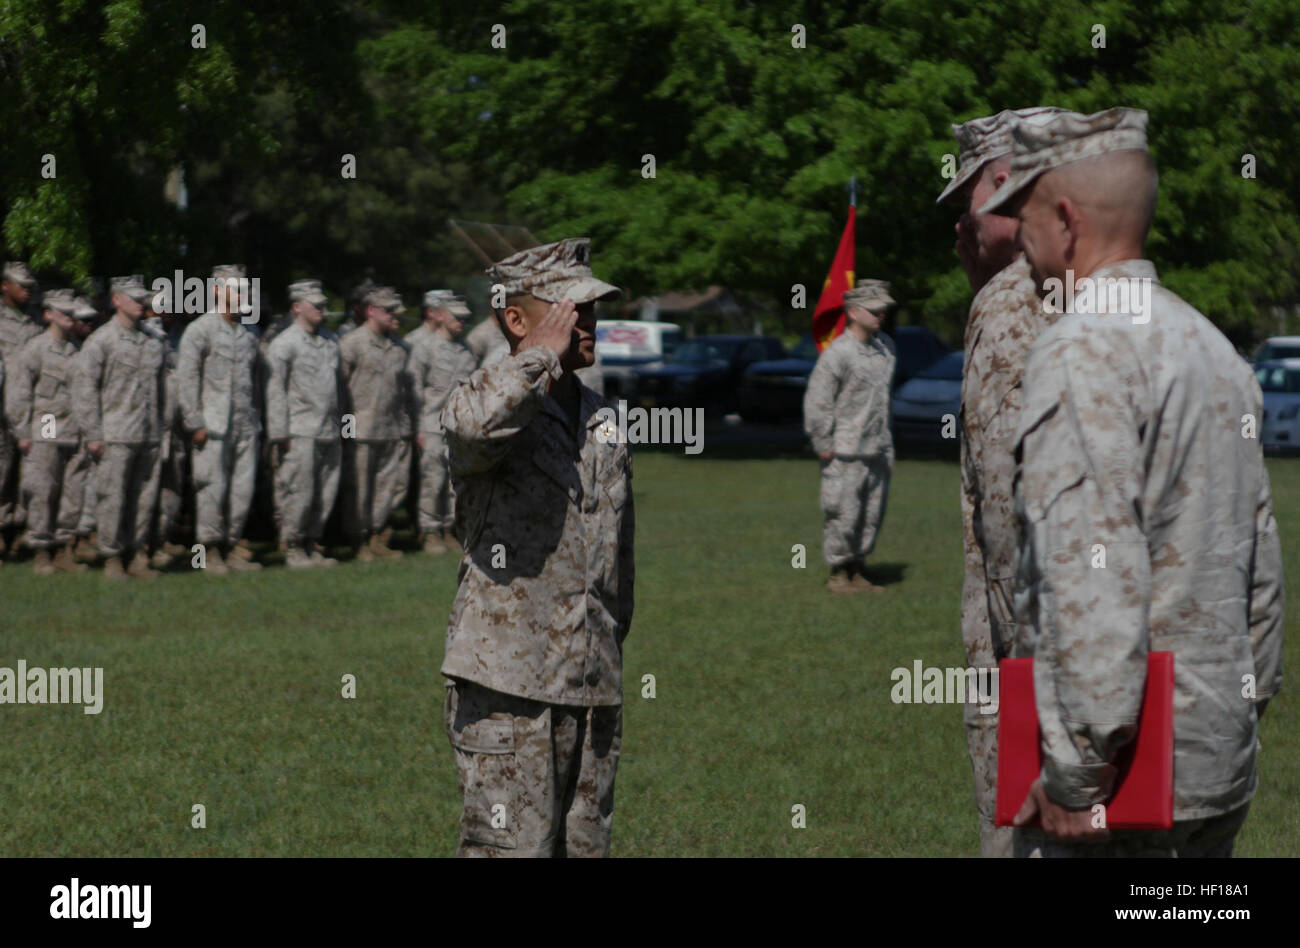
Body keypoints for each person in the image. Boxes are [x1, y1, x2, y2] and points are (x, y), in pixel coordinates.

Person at [980, 107, 1285, 856]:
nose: (1020, 241)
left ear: (1066, 219)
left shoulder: (1080, 349)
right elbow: (1262, 577)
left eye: (1023, 218)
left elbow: (1094, 577)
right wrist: (1238, 714)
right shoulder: (1213, 349)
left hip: (1120, 785)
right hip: (1213, 759)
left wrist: (1075, 775)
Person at [441, 237, 633, 857]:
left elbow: (617, 556)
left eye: (591, 306)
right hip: (510, 690)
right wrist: (537, 360)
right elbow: (472, 427)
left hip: (590, 680)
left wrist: (606, 640)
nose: (587, 321)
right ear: (518, 320)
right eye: (569, 309)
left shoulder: (603, 417)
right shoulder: (487, 402)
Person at [937, 106, 1065, 857]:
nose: (958, 224)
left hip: (1035, 675)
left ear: (1007, 183)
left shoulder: (1010, 305)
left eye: (967, 203)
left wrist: (1031, 700)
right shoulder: (1103, 289)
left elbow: (1013, 519)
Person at [803, 281, 897, 594]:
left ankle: (858, 569)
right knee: (844, 513)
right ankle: (838, 575)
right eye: (874, 310)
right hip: (846, 449)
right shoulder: (838, 354)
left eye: (883, 309)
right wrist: (823, 442)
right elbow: (819, 401)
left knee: (871, 514)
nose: (881, 314)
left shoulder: (886, 348)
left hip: (877, 445)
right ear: (854, 312)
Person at [74, 275, 168, 579]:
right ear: (116, 300)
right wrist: (93, 433)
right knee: (112, 498)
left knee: (144, 499)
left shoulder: (154, 342)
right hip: (115, 434)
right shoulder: (101, 341)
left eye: (143, 299)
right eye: (134, 298)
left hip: (149, 433)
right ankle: (112, 556)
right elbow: (85, 390)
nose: (141, 304)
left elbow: (163, 388)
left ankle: (138, 554)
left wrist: (163, 430)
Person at [176, 263, 264, 574]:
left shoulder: (250, 332)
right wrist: (194, 421)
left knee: (241, 491)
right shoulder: (200, 330)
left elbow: (256, 380)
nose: (243, 295)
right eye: (236, 289)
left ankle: (232, 546)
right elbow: (186, 379)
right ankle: (207, 553)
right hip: (212, 426)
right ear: (216, 292)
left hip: (244, 424)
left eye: (245, 289)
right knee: (211, 488)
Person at [5, 289, 94, 573]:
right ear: (48, 314)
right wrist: (24, 433)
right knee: (44, 486)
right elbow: (19, 393)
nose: (70, 318)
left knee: (72, 491)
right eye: (64, 313)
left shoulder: (77, 351)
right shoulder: (36, 348)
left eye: (72, 313)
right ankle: (42, 549)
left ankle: (64, 547)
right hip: (47, 424)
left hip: (75, 429)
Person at [265, 279, 343, 568]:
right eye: (317, 305)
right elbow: (275, 391)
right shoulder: (284, 344)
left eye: (324, 304)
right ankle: (293, 546)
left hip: (328, 428)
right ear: (297, 307)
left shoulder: (330, 341)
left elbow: (338, 390)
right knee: (299, 490)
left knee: (325, 491)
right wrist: (279, 432)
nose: (323, 309)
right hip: (299, 430)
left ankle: (313, 542)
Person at [338, 286, 414, 560]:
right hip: (361, 429)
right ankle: (357, 541)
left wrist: (406, 429)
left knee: (387, 489)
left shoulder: (401, 348)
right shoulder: (351, 344)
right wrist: (346, 431)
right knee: (358, 489)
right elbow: (340, 392)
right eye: (390, 311)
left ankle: (377, 536)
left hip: (391, 429)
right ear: (371, 311)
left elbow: (404, 393)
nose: (397, 316)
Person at [408, 290, 476, 554]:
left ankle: (450, 528)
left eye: (464, 319)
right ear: (443, 317)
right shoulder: (425, 348)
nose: (461, 322)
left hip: (458, 426)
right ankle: (429, 531)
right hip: (431, 424)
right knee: (432, 480)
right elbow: (414, 390)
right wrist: (418, 428)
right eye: (457, 318)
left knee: (454, 482)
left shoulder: (467, 348)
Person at [0, 261, 42, 562]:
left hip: (33, 413)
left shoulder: (35, 323)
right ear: (4, 285)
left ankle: (16, 531)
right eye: (20, 285)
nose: (26, 291)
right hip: (2, 411)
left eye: (29, 286)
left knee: (29, 474)